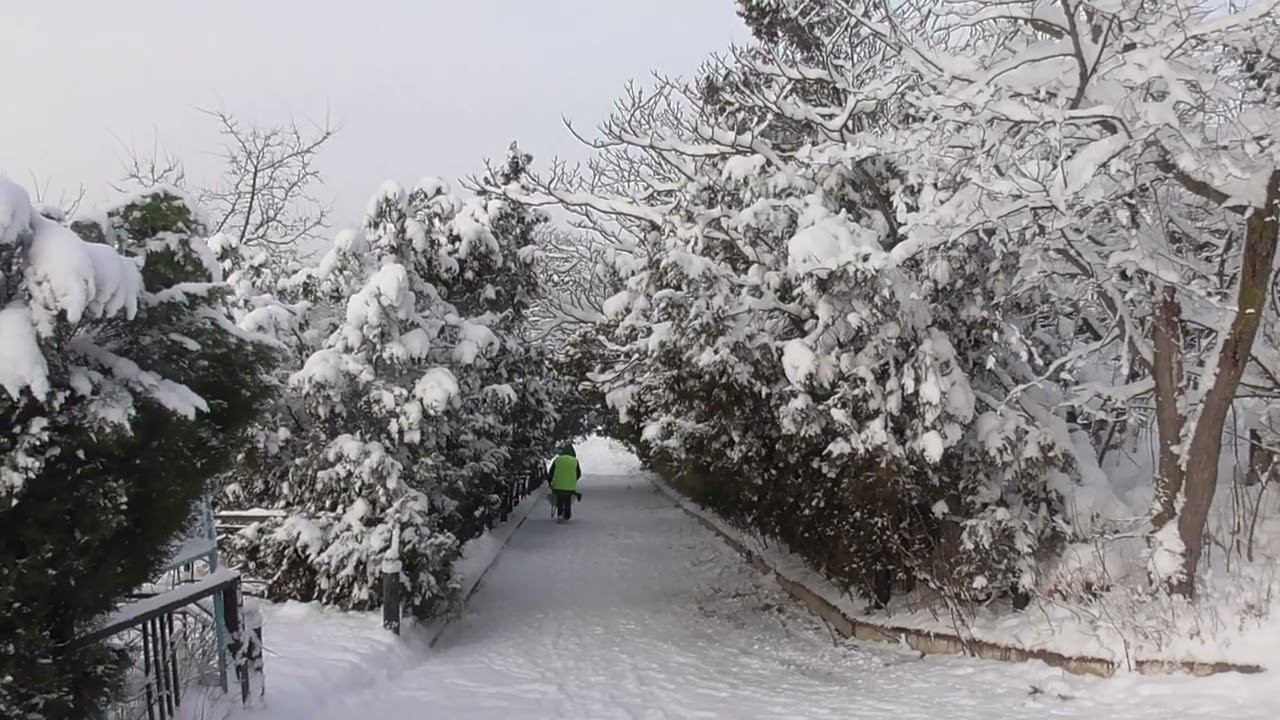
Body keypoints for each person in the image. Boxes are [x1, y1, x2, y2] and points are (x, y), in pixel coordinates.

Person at [546, 446, 582, 522]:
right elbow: (578, 473)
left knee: (560, 499)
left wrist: (550, 482)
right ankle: (567, 515)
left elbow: (551, 472)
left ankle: (559, 515)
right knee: (567, 499)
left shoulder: (557, 460)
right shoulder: (575, 461)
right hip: (570, 487)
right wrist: (573, 480)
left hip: (558, 485)